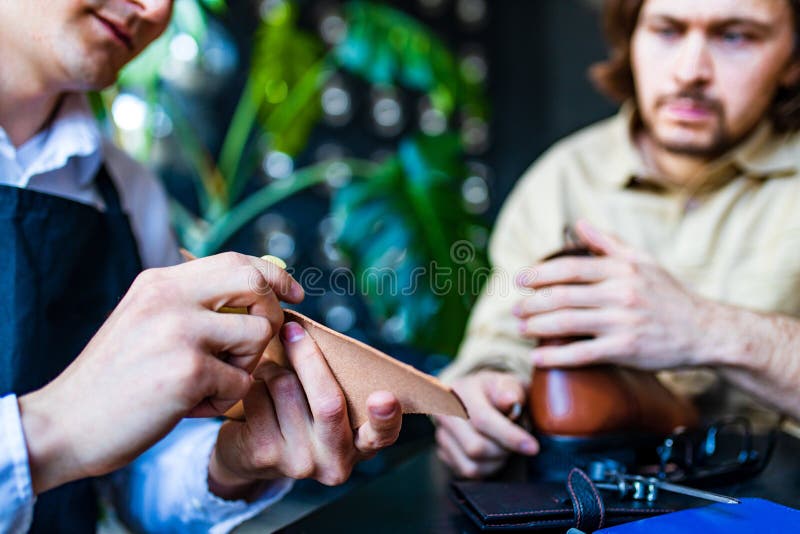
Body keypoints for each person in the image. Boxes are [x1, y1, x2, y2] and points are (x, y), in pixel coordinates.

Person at [0, 1, 402, 532]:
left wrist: (230, 462)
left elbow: (134, 473)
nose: (156, 8)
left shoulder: (126, 191)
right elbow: (78, 437)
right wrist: (54, 432)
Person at [435, 0, 800, 479]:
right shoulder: (561, 180)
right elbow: (502, 344)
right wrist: (481, 397)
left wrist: (705, 328)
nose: (691, 71)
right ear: (630, 38)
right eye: (667, 30)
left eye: (735, 36)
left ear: (793, 60)